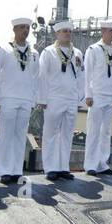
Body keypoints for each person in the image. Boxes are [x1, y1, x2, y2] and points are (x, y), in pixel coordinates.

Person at [0, 17, 39, 184]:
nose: (25, 31)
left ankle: (16, 170)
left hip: (25, 98)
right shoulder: (4, 50)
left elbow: (35, 77)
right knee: (6, 135)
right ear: (14, 30)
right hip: (8, 98)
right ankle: (4, 170)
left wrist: (33, 99)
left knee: (20, 135)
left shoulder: (34, 53)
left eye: (27, 28)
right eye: (21, 28)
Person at [37, 21, 84, 181]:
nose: (67, 34)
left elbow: (80, 76)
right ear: (57, 33)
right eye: (64, 31)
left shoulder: (77, 53)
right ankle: (50, 168)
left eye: (69, 31)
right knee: (50, 133)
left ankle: (63, 166)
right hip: (54, 98)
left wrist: (80, 97)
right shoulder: (48, 52)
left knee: (67, 134)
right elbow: (42, 76)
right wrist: (42, 98)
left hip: (71, 98)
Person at [83, 21, 112, 176]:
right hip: (98, 95)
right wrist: (88, 94)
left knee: (106, 131)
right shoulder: (94, 49)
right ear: (103, 31)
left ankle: (102, 163)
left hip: (110, 95)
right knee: (94, 131)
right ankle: (91, 164)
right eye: (111, 31)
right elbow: (87, 74)